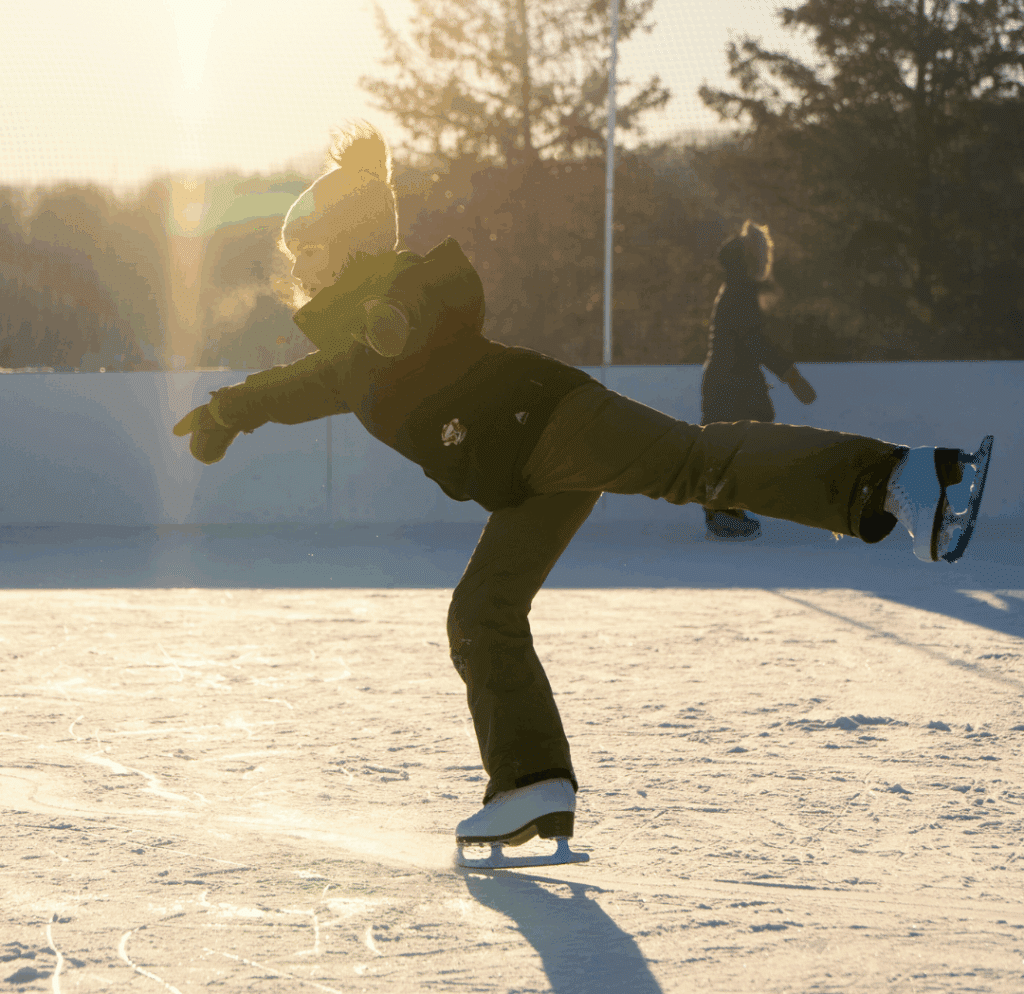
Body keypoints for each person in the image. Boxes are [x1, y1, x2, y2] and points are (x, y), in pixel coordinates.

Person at [174, 124, 991, 867]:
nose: (302, 272)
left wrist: (398, 312)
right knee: (482, 610)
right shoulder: (350, 355)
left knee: (695, 464)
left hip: (553, 419)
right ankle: (529, 784)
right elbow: (298, 382)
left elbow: (450, 289)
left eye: (312, 253)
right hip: (526, 476)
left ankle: (904, 479)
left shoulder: (406, 288)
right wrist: (224, 411)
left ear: (346, 249)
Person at [700, 220, 817, 541]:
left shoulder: (738, 286)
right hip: (730, 382)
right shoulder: (739, 289)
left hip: (734, 379)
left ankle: (728, 509)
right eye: (765, 253)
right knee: (734, 444)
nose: (768, 260)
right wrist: (791, 375)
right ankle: (721, 513)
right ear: (754, 256)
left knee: (742, 441)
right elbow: (754, 340)